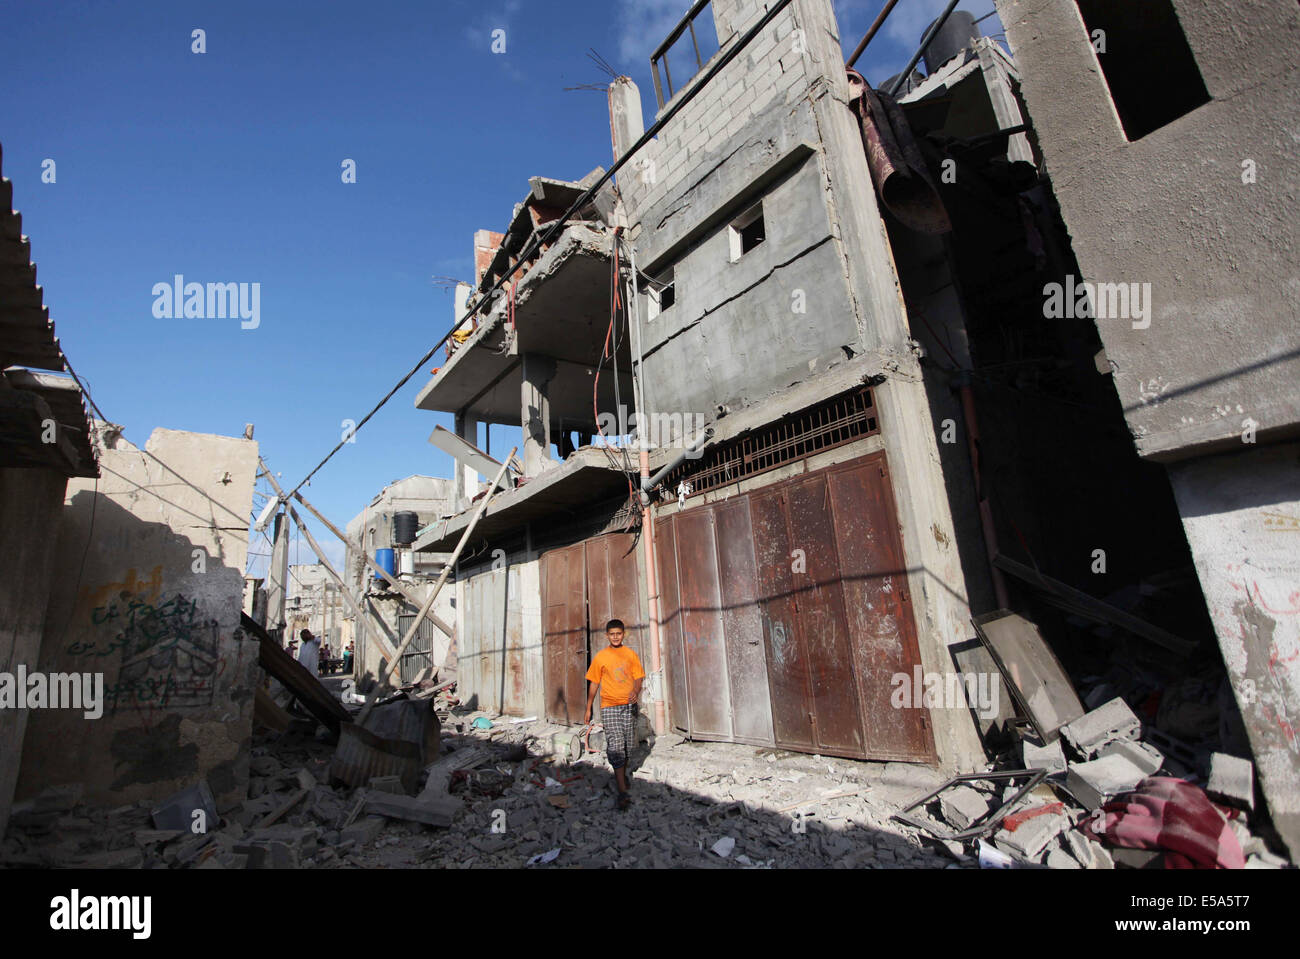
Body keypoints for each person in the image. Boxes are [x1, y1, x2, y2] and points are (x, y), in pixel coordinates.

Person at [583, 619, 644, 810]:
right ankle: (621, 788)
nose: (615, 637)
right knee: (616, 743)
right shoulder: (601, 657)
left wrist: (636, 691)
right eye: (612, 634)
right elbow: (594, 683)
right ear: (607, 636)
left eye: (619, 633)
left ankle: (622, 774)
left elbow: (638, 676)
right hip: (609, 706)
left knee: (627, 743)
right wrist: (588, 706)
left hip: (628, 706)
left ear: (623, 634)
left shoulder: (630, 654)